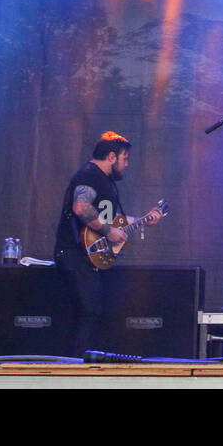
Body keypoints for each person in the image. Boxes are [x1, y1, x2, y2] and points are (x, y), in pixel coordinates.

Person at [53, 131, 163, 357]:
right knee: (89, 311)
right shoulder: (89, 175)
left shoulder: (106, 183)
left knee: (92, 311)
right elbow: (81, 208)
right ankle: (75, 370)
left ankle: (83, 363)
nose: (126, 164)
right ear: (111, 156)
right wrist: (107, 231)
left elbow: (113, 222)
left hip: (86, 257)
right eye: (125, 158)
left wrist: (144, 220)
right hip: (74, 253)